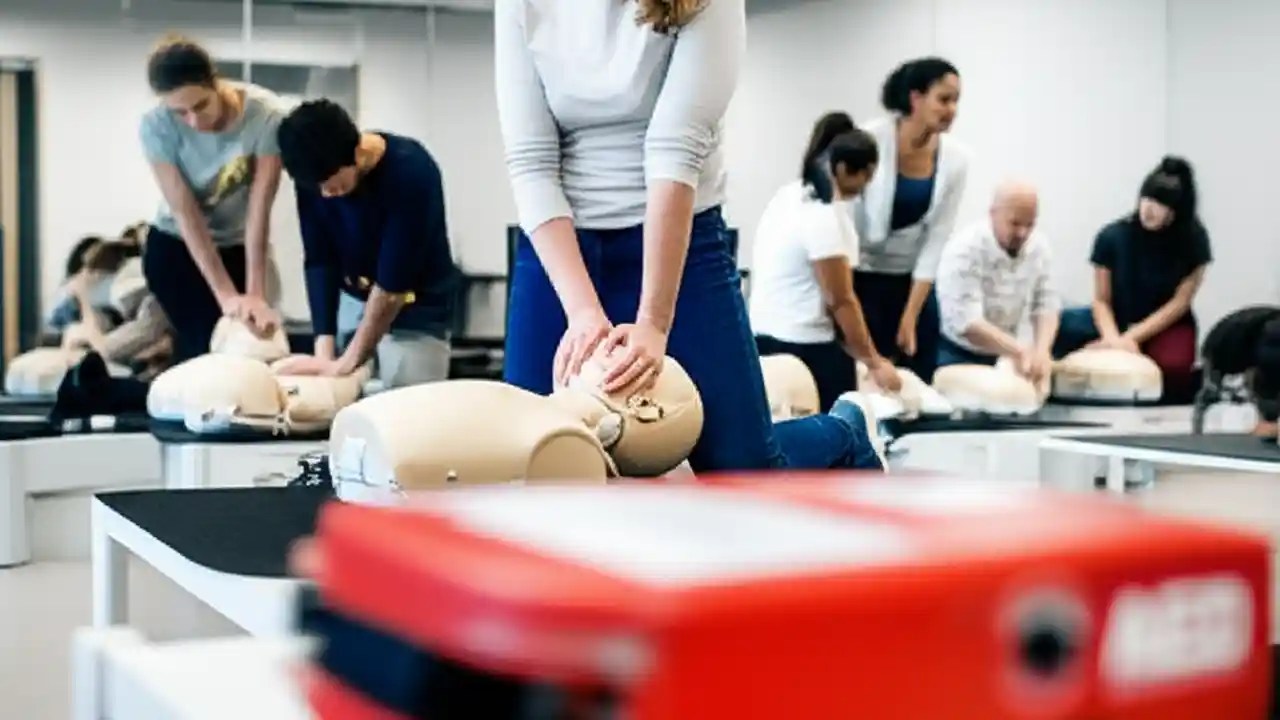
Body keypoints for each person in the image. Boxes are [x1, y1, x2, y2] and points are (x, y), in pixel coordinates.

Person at [496, 0, 882, 472]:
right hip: (561, 250)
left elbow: (674, 149)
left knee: (741, 467)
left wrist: (654, 321)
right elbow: (531, 158)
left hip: (681, 240)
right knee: (533, 462)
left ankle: (846, 432)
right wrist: (582, 312)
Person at [274, 99, 459, 388]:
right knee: (334, 390)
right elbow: (320, 258)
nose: (326, 195)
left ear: (355, 153)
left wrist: (346, 363)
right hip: (354, 297)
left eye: (332, 184)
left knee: (407, 400)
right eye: (318, 187)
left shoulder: (411, 172)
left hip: (415, 305)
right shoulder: (314, 174)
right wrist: (324, 351)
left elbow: (392, 288)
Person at [138, 35, 284, 364]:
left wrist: (255, 293)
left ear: (215, 83)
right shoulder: (155, 126)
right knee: (206, 348)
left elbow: (260, 206)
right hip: (176, 246)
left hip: (237, 244)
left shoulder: (266, 116)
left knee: (253, 341)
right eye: (180, 112)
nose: (193, 121)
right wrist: (226, 296)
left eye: (201, 105)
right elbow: (185, 212)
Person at [749, 112, 900, 412]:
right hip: (802, 344)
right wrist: (874, 362)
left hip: (762, 337)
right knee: (845, 413)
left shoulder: (788, 196)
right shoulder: (823, 216)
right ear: (843, 168)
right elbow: (840, 300)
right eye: (866, 176)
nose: (866, 186)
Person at [850, 57, 971, 384]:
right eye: (944, 99)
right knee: (866, 378)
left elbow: (937, 237)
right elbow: (846, 220)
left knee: (918, 370)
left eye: (956, 101)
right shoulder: (869, 139)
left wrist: (910, 316)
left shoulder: (957, 159)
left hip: (912, 281)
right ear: (915, 98)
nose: (952, 110)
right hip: (862, 275)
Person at [1053, 157, 1210, 403]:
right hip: (1117, 317)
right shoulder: (1112, 236)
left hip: (1165, 323)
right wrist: (1112, 339)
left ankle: (1140, 352)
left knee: (1173, 369)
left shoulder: (1194, 241)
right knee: (1060, 325)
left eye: (1160, 204)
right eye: (1146, 198)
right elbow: (1101, 300)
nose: (1149, 209)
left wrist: (1129, 340)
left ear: (1176, 211)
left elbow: (1179, 304)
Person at [934, 181, 1059, 384]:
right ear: (993, 214)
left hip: (1007, 353)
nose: (1023, 233)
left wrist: (1042, 350)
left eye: (1030, 224)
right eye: (1015, 223)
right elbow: (966, 322)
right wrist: (1019, 350)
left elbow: (1046, 303)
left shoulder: (1039, 247)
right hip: (960, 353)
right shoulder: (964, 249)